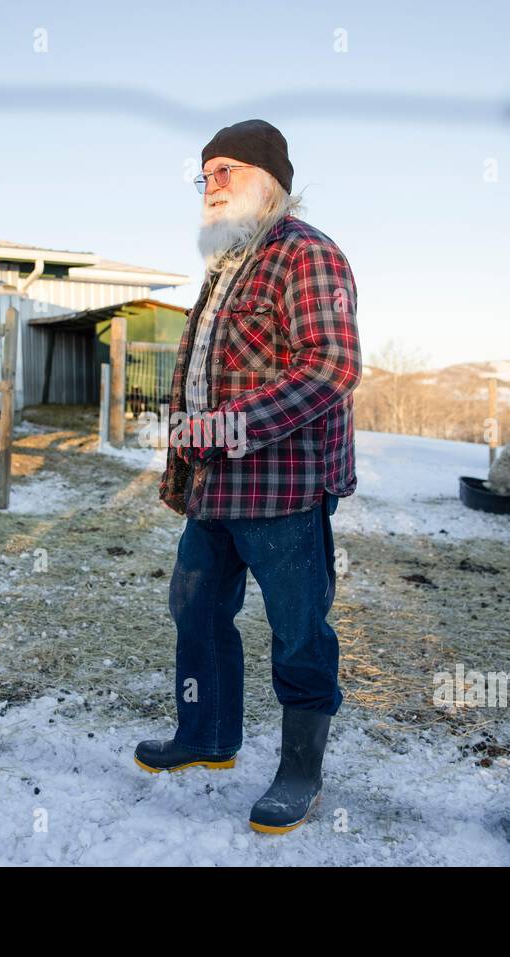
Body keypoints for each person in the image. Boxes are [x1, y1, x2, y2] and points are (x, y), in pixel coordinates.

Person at [134, 119, 362, 834]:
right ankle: (207, 733)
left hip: (284, 489)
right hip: (213, 488)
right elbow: (203, 377)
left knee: (298, 630)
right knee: (195, 610)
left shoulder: (307, 254)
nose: (211, 186)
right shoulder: (225, 265)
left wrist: (233, 427)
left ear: (270, 181)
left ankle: (301, 772)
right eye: (205, 175)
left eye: (226, 171)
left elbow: (330, 366)